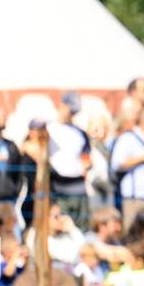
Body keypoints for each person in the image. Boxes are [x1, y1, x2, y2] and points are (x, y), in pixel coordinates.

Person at [48, 91, 92, 230]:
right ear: (61, 106)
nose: (72, 113)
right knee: (61, 230)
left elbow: (86, 155)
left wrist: (87, 164)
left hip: (78, 188)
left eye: (75, 111)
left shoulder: (81, 132)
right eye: (70, 109)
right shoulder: (48, 129)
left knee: (81, 230)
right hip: (57, 188)